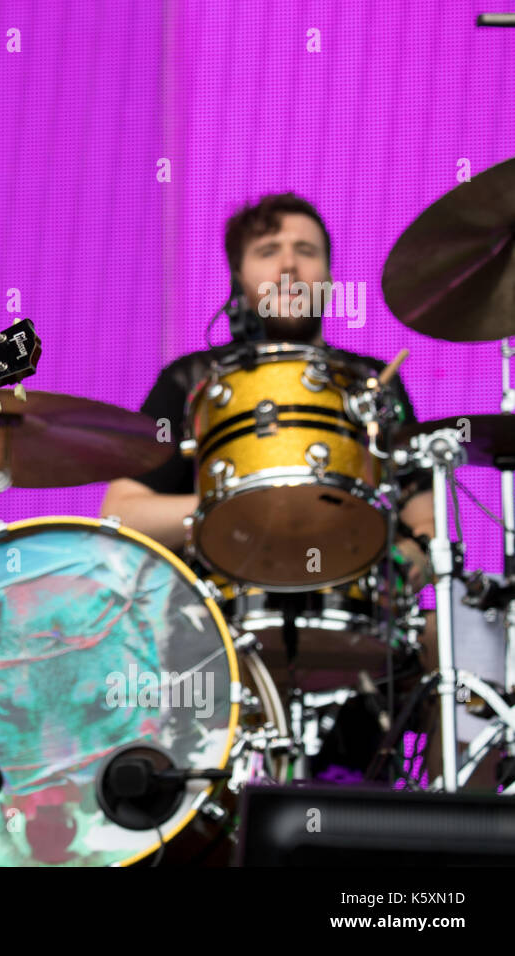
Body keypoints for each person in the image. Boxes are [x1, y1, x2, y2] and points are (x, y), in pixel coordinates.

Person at [100, 192, 439, 781]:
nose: (288, 265)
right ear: (239, 276)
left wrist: (414, 550)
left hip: (358, 621)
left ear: (330, 277)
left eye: (306, 251)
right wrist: (250, 510)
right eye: (268, 250)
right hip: (218, 628)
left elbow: (426, 519)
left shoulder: (372, 383)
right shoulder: (191, 382)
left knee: (457, 638)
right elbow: (122, 513)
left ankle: (437, 837)